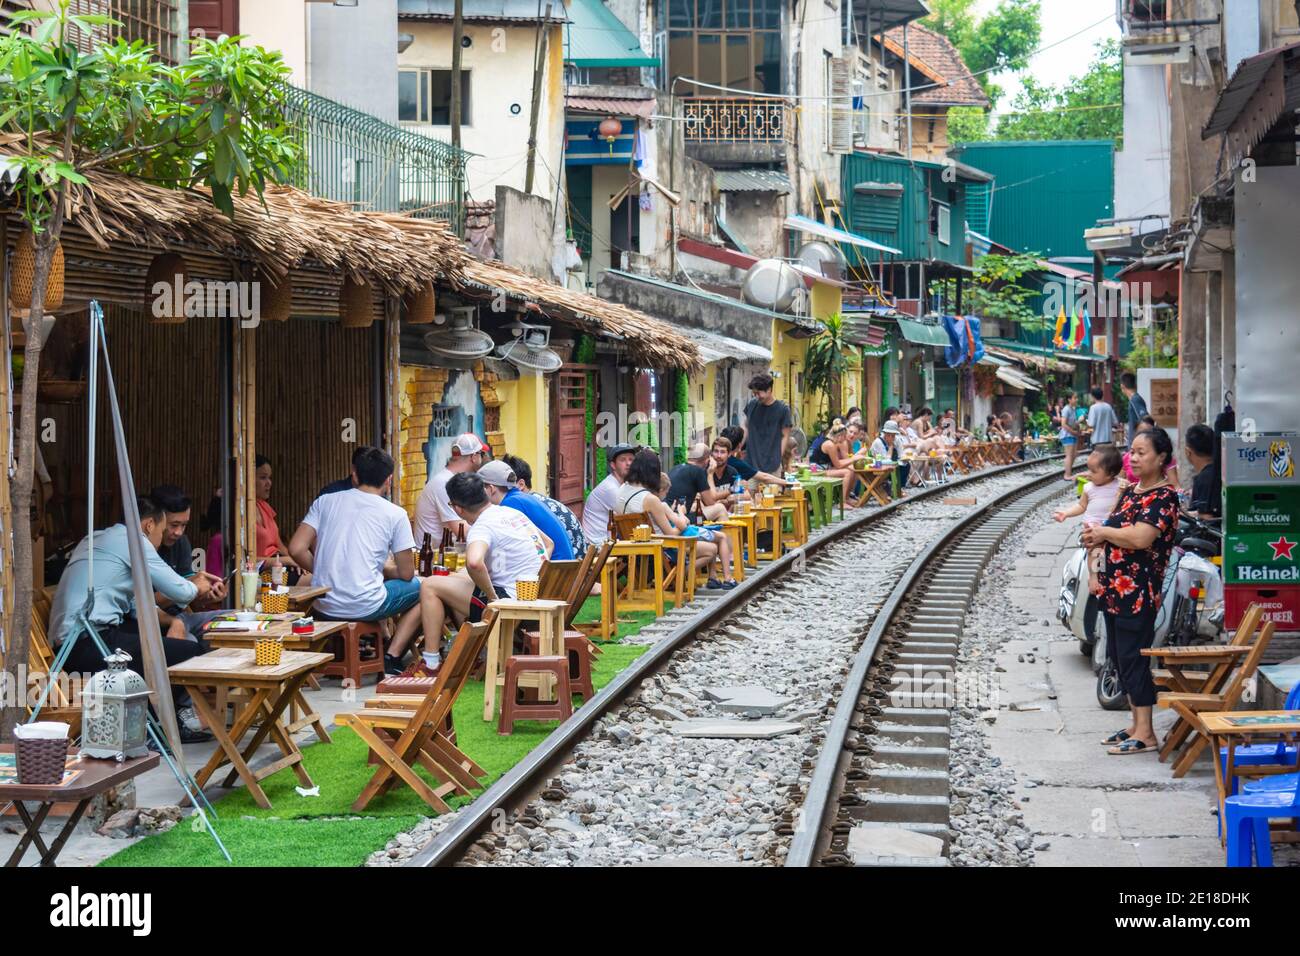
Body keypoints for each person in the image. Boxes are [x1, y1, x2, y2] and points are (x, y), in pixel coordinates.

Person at [50, 495, 217, 741]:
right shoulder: (133, 542)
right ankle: (163, 725)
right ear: (149, 525)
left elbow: (137, 608)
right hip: (87, 643)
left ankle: (152, 722)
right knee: (188, 651)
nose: (160, 541)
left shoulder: (97, 538)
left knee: (164, 641)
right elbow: (181, 590)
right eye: (162, 530)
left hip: (76, 641)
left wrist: (174, 621)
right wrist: (198, 585)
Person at [1082, 428, 1181, 756]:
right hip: (1114, 589)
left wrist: (1103, 533)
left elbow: (1140, 538)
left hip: (1138, 592)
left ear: (1162, 458)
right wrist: (1096, 546)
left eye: (1141, 453)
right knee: (1119, 658)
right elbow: (1110, 526)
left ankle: (1147, 733)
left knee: (1133, 658)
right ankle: (1135, 725)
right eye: (1132, 452)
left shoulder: (1164, 497)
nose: (1134, 458)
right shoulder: (1132, 491)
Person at [288, 448, 427, 677]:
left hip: (323, 604)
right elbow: (406, 573)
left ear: (354, 475)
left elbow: (296, 548)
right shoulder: (395, 513)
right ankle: (391, 656)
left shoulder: (324, 502)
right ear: (388, 480)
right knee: (426, 589)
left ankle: (381, 647)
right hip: (366, 605)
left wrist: (325, 571)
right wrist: (383, 569)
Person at [414, 472, 553, 648]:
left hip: (511, 602)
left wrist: (493, 598)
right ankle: (473, 649)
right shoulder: (513, 514)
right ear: (485, 493)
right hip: (536, 594)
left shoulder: (481, 526)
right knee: (455, 578)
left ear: (457, 508)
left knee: (429, 585)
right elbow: (548, 544)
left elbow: (474, 562)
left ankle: (431, 659)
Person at [617, 449, 735, 590]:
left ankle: (678, 577)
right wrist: (682, 517)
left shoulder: (622, 490)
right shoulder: (650, 499)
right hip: (660, 548)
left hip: (635, 548)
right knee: (711, 549)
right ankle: (671, 578)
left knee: (709, 544)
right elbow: (672, 534)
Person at [149, 484, 227, 641]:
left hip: (180, 616)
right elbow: (140, 605)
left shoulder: (181, 542)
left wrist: (208, 595)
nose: (178, 532)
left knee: (228, 621)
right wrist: (188, 586)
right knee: (190, 641)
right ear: (155, 521)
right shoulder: (141, 549)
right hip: (153, 622)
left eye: (184, 525)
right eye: (173, 525)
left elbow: (192, 601)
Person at [1053, 446, 1124, 597]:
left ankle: (1106, 576)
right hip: (1093, 527)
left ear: (1111, 473)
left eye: (1094, 471)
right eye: (1088, 469)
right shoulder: (1088, 488)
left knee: (1110, 554)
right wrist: (1065, 513)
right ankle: (1094, 577)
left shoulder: (1120, 486)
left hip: (1113, 528)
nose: (1089, 474)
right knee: (1095, 550)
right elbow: (1081, 506)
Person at [477, 459, 573, 560]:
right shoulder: (520, 498)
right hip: (562, 568)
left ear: (491, 489)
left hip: (553, 568)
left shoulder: (510, 504)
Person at [501, 454, 587, 558]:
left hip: (566, 566)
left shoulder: (516, 503)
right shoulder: (536, 501)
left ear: (521, 484)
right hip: (575, 564)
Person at [414, 433, 485, 546]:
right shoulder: (444, 484)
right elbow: (463, 532)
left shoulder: (448, 480)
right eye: (482, 454)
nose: (483, 458)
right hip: (433, 558)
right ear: (474, 457)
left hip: (443, 553)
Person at [582, 443, 637, 545]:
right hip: (598, 546)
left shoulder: (623, 485)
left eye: (631, 459)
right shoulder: (610, 488)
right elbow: (631, 517)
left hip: (609, 541)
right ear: (613, 465)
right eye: (623, 460)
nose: (628, 463)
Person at [741, 372, 793, 476]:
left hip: (772, 464)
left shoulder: (783, 409)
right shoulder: (752, 404)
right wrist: (739, 446)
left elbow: (785, 436)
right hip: (751, 463)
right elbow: (746, 427)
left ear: (769, 390)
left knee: (772, 492)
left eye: (758, 393)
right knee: (749, 492)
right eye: (754, 393)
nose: (756, 396)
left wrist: (778, 457)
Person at [718, 425, 789, 490]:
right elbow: (764, 477)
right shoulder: (737, 463)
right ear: (739, 445)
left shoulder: (715, 458)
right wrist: (787, 482)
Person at [822, 420, 866, 506]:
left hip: (827, 467)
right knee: (849, 470)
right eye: (850, 432)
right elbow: (841, 463)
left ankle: (847, 497)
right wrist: (857, 456)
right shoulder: (834, 444)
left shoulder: (845, 442)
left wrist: (855, 457)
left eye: (855, 433)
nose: (851, 435)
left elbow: (848, 458)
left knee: (853, 468)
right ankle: (843, 501)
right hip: (819, 470)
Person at [1185, 423, 1221, 520]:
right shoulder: (1219, 472)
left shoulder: (1205, 479)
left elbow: (1207, 517)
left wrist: (1183, 513)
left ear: (1187, 452)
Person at [1056, 393, 1083, 480]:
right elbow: (1063, 424)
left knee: (1074, 454)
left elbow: (1073, 423)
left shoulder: (1073, 409)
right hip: (1067, 435)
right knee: (1069, 455)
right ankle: (1067, 475)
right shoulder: (1066, 409)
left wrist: (1078, 426)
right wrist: (1073, 432)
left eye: (1076, 398)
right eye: (1074, 398)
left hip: (1072, 434)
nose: (1076, 400)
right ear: (1069, 399)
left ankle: (1068, 472)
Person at [1120, 372, 1148, 447]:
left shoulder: (1135, 400)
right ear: (1135, 385)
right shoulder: (1135, 399)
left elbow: (1145, 420)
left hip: (1136, 444)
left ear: (1122, 386)